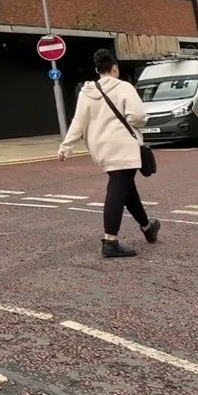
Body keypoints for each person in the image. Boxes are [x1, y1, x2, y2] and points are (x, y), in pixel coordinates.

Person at [57, 49, 160, 258]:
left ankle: (147, 227)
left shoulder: (86, 92)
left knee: (127, 189)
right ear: (115, 68)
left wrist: (66, 147)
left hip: (101, 149)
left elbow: (78, 122)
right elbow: (138, 117)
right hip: (124, 147)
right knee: (117, 190)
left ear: (97, 70)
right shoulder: (124, 87)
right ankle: (110, 241)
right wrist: (133, 122)